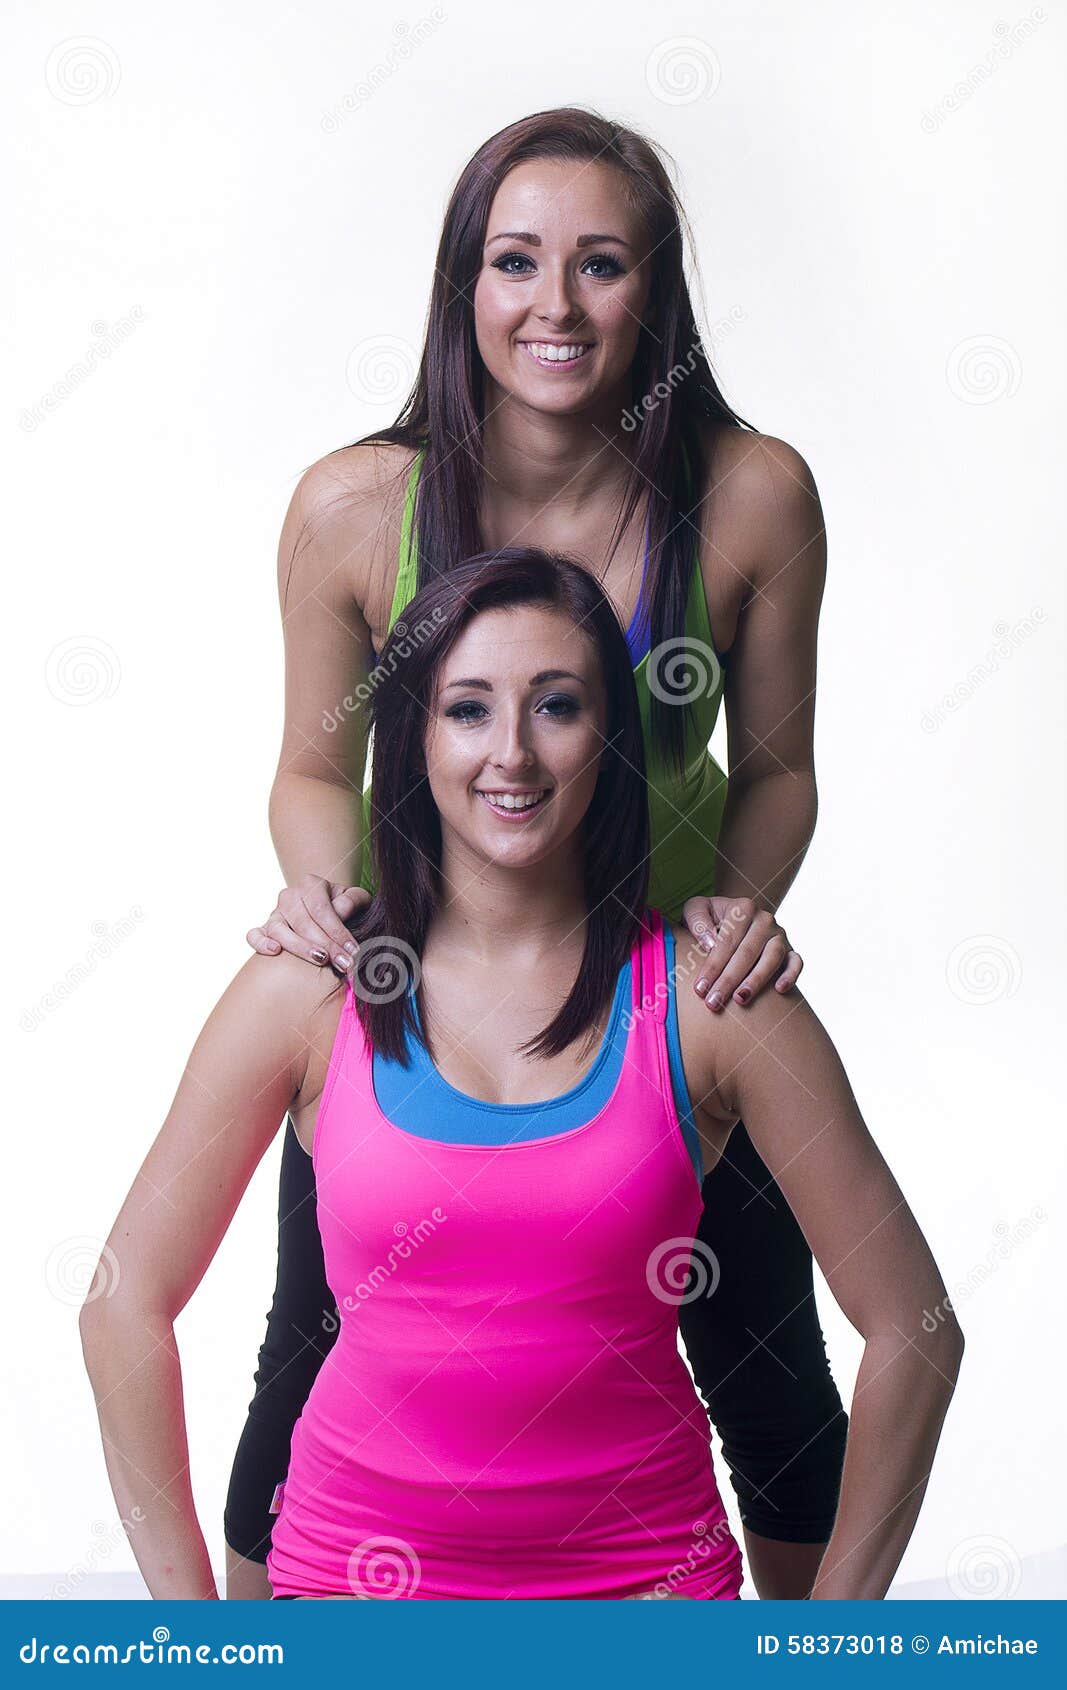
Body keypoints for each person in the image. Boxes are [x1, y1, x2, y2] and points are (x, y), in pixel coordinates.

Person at [80, 554, 963, 1601]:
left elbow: (914, 1326)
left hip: (647, 1601)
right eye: (465, 709)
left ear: (610, 738)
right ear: (411, 736)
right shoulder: (307, 993)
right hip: (351, 1598)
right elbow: (121, 1302)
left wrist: (835, 1646)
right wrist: (187, 1638)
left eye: (556, 705)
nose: (510, 752)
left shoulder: (716, 1003)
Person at [230, 106, 841, 1602]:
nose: (552, 306)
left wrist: (726, 929)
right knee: (303, 1366)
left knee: (769, 1376)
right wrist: (332, 901)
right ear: (461, 287)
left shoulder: (750, 493)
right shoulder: (352, 506)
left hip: (666, 1019)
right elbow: (313, 769)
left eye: (599, 264)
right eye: (512, 262)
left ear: (657, 291)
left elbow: (776, 776)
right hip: (418, 1010)